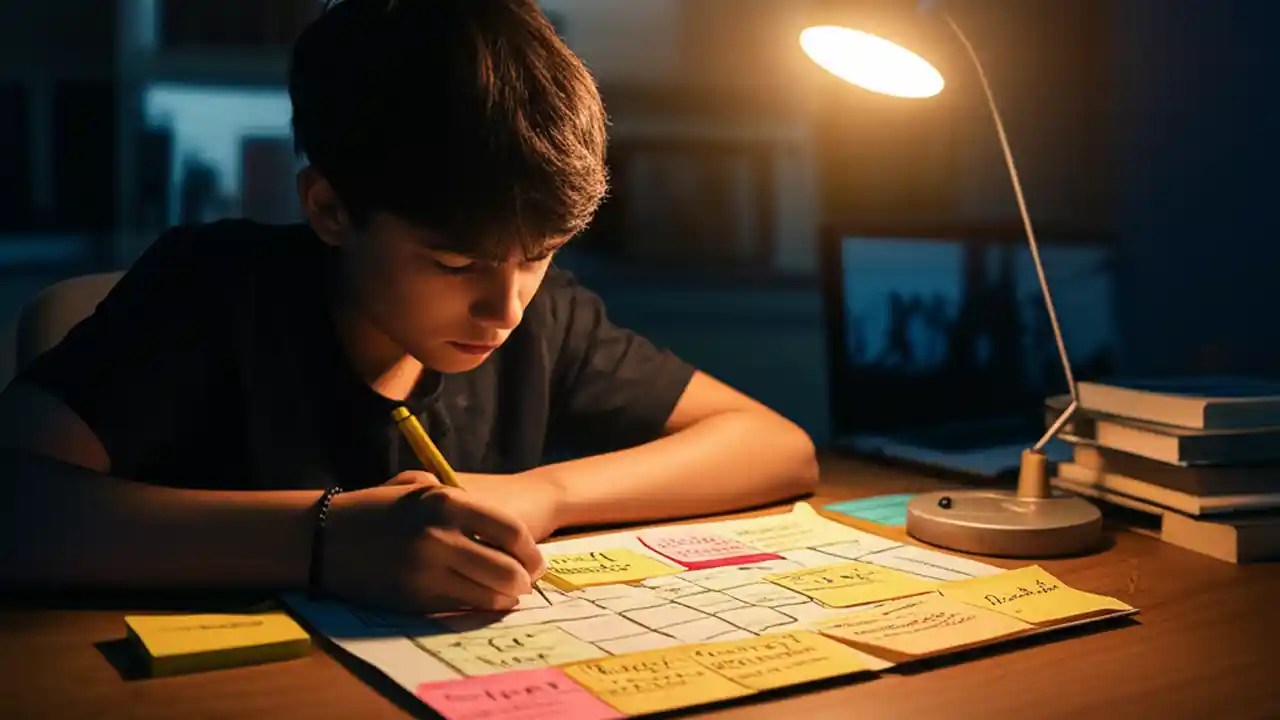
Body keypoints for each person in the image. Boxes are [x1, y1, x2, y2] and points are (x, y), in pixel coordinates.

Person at [0, 0, 816, 613]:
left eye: (538, 255)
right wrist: (323, 539)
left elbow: (776, 447)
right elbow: (15, 501)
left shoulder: (545, 321)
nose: (504, 306)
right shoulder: (210, 293)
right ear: (329, 208)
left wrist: (544, 495)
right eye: (454, 262)